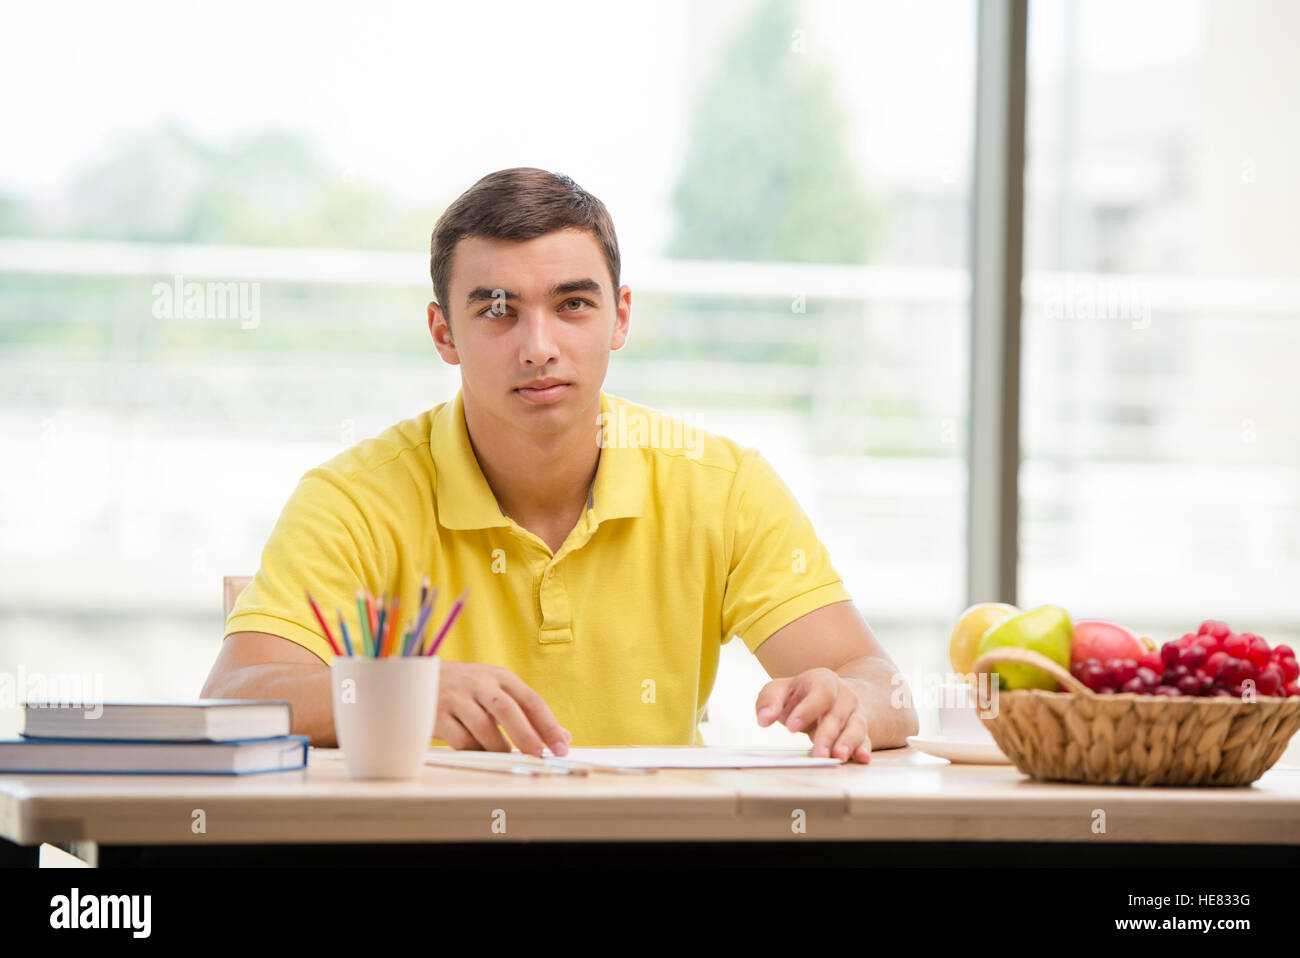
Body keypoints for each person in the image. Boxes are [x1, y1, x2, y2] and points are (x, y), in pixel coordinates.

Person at [202, 167, 918, 764]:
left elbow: (884, 685)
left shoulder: (722, 486)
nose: (538, 346)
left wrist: (849, 702)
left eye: (572, 304)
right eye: (498, 311)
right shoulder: (353, 498)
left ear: (620, 318)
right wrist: (410, 691)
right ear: (443, 333)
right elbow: (230, 700)